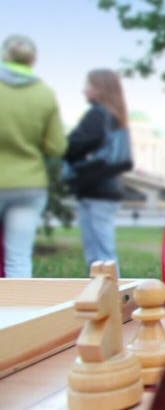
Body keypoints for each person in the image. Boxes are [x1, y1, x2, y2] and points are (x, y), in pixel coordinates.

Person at [0, 35, 66, 278]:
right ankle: (20, 313)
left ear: (4, 54)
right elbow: (56, 147)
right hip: (29, 184)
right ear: (33, 60)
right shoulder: (44, 94)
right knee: (18, 257)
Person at [64, 69, 129, 272]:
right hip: (107, 188)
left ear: (100, 89)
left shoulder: (98, 115)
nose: (84, 90)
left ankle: (108, 296)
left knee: (99, 253)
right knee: (103, 249)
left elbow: (73, 145)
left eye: (88, 85)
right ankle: (105, 294)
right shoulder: (116, 117)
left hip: (96, 187)